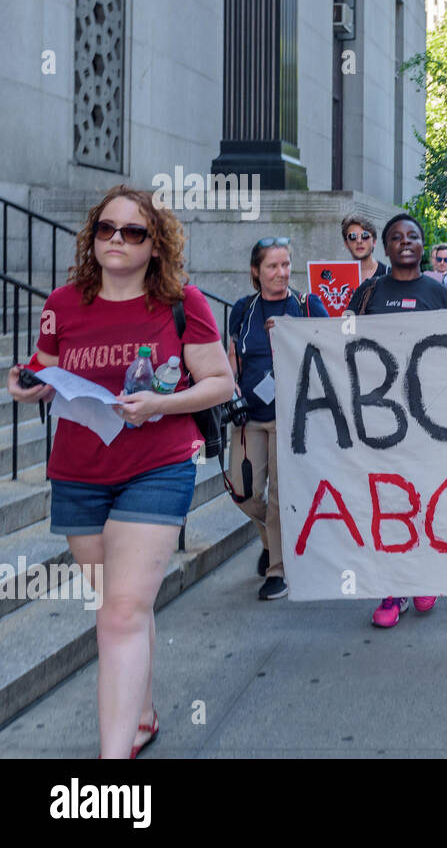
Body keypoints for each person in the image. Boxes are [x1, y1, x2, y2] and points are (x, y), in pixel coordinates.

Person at [6, 185, 234, 758]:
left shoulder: (184, 303)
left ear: (155, 245)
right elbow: (47, 369)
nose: (117, 239)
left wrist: (159, 404)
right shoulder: (63, 301)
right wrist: (25, 382)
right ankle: (143, 713)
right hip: (79, 471)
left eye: (134, 232)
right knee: (120, 606)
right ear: (93, 236)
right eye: (107, 228)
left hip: (156, 467)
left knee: (123, 609)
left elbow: (220, 382)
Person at [345, 214, 447, 627]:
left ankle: (424, 576)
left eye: (412, 235)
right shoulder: (369, 292)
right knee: (388, 500)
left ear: (423, 244)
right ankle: (390, 589)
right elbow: (336, 342)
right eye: (396, 237)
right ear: (386, 248)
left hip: (431, 419)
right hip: (381, 418)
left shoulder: (440, 294)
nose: (405, 242)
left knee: (427, 496)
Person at [227, 237, 329, 599]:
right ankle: (272, 541)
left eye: (286, 264)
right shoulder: (243, 309)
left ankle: (278, 570)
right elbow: (233, 358)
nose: (282, 273)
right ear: (256, 271)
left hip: (292, 418)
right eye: (273, 266)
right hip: (249, 417)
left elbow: (330, 351)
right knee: (243, 492)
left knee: (279, 498)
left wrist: (294, 332)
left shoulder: (306, 305)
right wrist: (231, 388)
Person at [341, 215, 388, 283]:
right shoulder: (339, 277)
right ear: (346, 244)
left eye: (365, 236)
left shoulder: (389, 274)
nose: (359, 241)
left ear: (374, 242)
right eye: (352, 236)